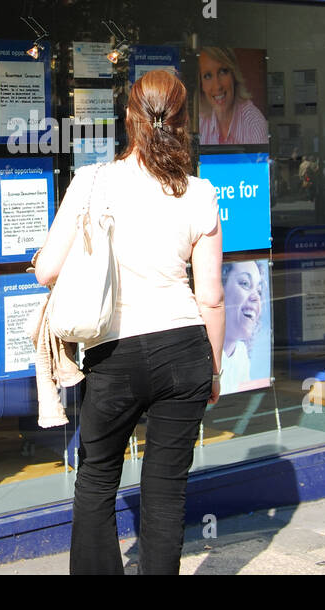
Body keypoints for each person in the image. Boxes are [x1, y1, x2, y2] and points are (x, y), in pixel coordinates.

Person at [32, 69, 224, 575]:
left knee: (96, 478)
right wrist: (215, 369)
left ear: (128, 119)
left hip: (114, 355)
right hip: (184, 349)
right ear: (183, 122)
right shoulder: (200, 193)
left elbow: (48, 271)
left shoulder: (93, 182)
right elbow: (212, 297)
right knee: (166, 489)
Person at [197, 46, 267, 146]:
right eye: (208, 76)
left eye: (223, 71)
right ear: (201, 85)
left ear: (234, 75)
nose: (217, 86)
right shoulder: (199, 123)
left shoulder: (255, 125)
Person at [218, 260, 268, 395]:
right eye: (245, 284)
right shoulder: (200, 353)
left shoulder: (241, 354)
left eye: (258, 290)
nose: (256, 298)